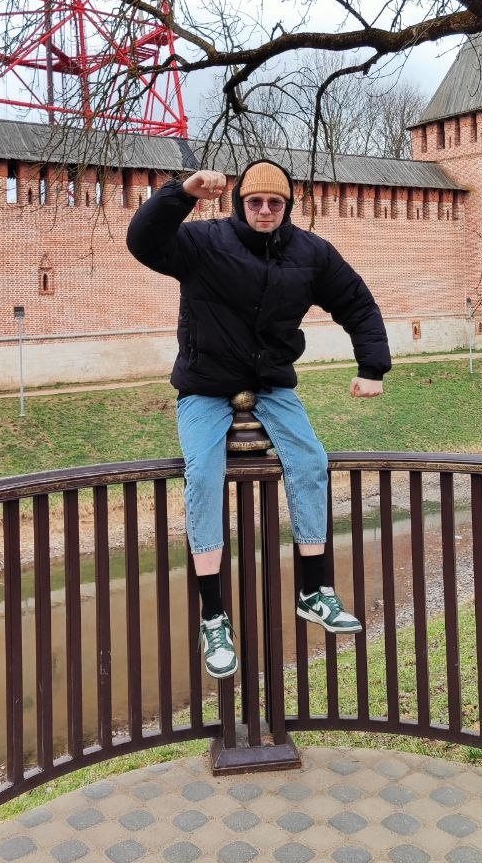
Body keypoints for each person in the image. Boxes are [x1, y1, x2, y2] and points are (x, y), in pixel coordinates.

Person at [127, 159, 391, 679]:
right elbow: (143, 241)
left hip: (271, 385)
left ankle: (314, 590)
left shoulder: (310, 253)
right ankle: (212, 614)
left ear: (287, 205)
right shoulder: (203, 242)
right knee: (202, 475)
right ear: (239, 203)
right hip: (204, 385)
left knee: (311, 461)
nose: (265, 210)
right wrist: (181, 193)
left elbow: (356, 302)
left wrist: (372, 366)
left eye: (275, 202)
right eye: (255, 202)